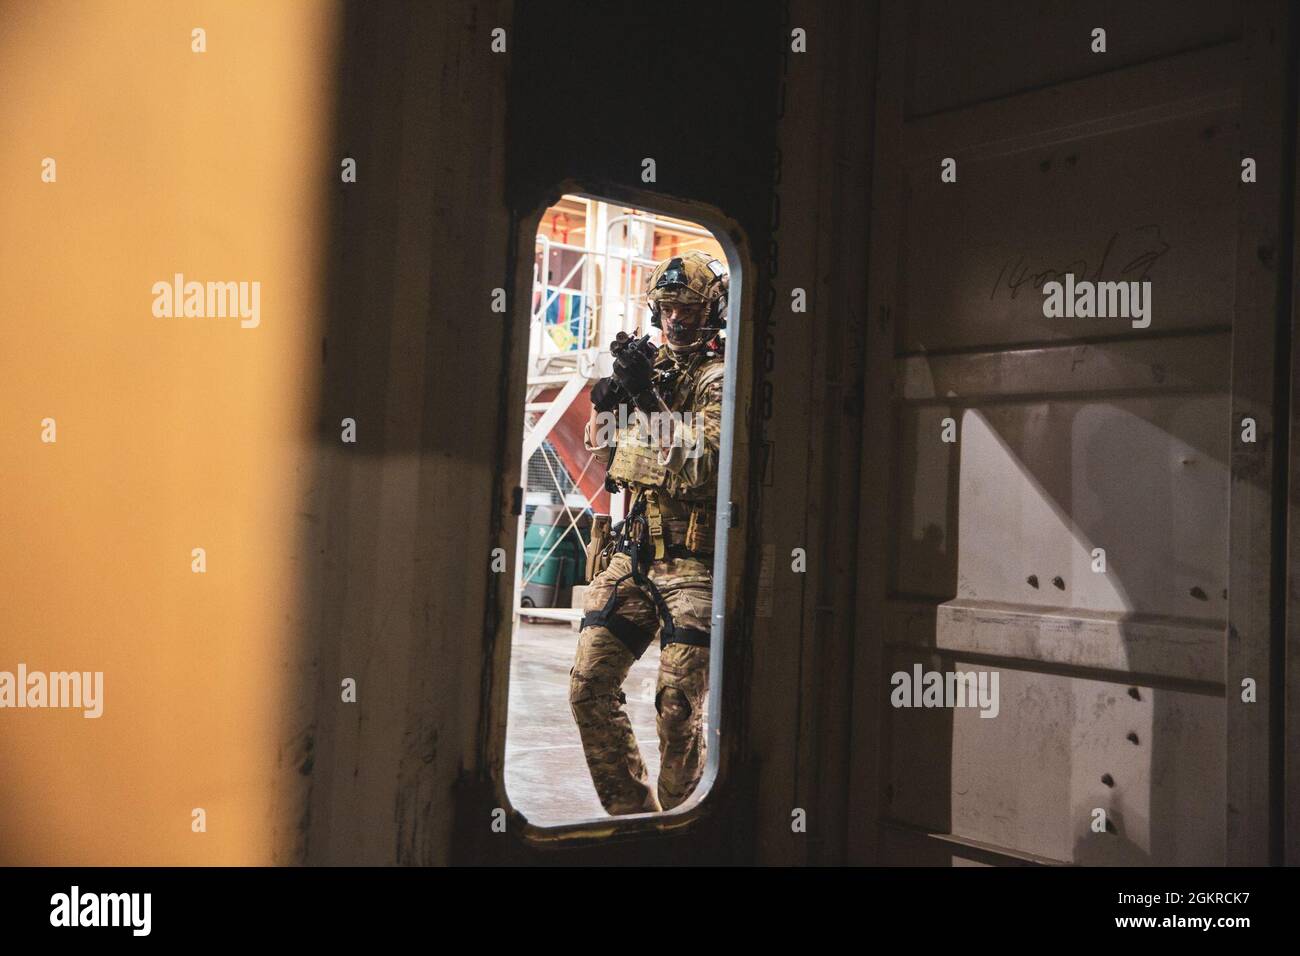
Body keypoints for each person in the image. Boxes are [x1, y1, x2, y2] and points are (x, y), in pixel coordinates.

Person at [569, 250, 728, 815]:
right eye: (665, 308)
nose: (674, 321)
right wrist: (607, 402)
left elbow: (699, 464)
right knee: (588, 689)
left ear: (711, 311)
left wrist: (645, 398)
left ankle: (683, 830)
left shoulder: (720, 380)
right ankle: (636, 822)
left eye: (686, 308)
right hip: (631, 556)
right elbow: (609, 457)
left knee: (677, 710)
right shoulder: (652, 370)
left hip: (694, 564)